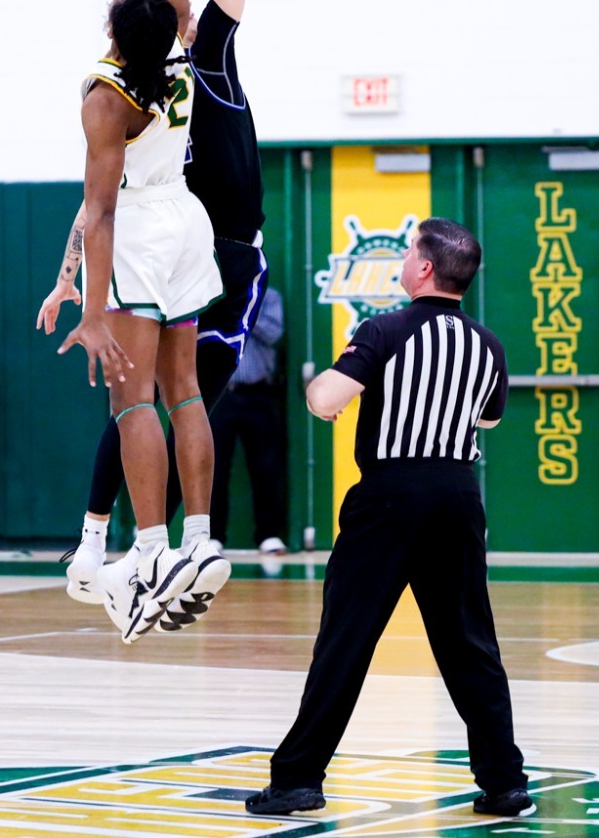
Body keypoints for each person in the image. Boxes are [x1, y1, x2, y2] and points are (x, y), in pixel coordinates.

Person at [52, 0, 267, 644]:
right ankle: (202, 537)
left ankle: (144, 550)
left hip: (143, 224)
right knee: (187, 392)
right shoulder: (186, 45)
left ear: (114, 23)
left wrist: (91, 307)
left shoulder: (108, 95)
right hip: (189, 227)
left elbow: (99, 211)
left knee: (131, 396)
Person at [246, 219, 530, 820]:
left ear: (424, 269)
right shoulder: (489, 344)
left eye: (407, 253)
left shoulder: (384, 329)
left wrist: (330, 386)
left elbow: (325, 399)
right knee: (471, 645)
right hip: (458, 496)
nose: (403, 260)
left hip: (389, 496)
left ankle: (298, 780)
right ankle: (506, 783)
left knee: (346, 640)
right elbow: (491, 422)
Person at [210, 284, 289, 551]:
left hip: (258, 392)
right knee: (214, 467)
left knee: (266, 466)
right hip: (218, 393)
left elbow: (274, 332)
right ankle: (213, 536)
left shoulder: (268, 295)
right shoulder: (211, 290)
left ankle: (268, 534)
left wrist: (241, 307)